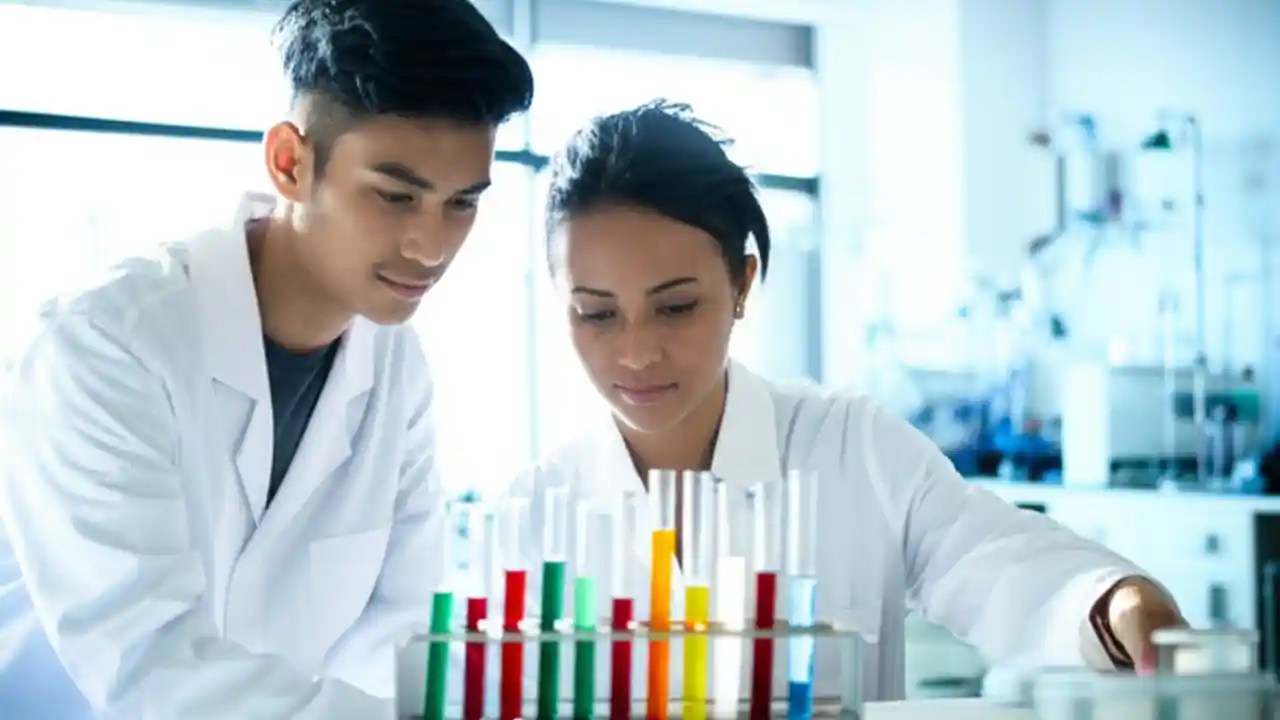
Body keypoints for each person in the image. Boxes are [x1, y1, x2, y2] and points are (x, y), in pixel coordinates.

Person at [511, 101, 1185, 703]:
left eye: (677, 307)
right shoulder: (541, 508)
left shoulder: (850, 449)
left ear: (743, 283)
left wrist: (1115, 601)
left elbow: (1004, 565)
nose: (636, 352)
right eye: (596, 314)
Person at [0, 1, 532, 717]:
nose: (430, 246)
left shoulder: (396, 368)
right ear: (290, 162)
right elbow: (149, 668)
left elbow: (399, 632)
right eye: (395, 196)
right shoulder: (104, 347)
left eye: (461, 204)